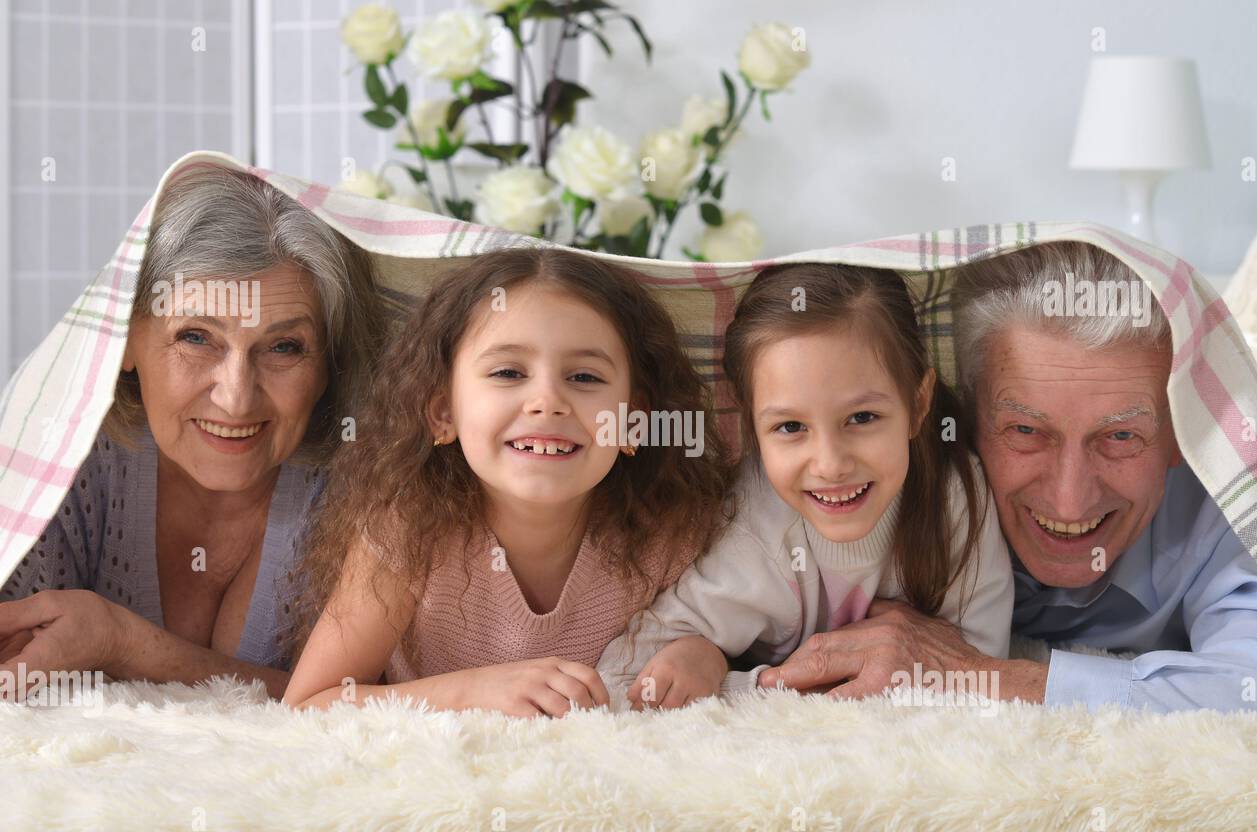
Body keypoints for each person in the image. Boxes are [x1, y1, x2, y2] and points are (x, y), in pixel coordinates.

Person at [759, 242, 1257, 713]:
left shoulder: (1238, 487)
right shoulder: (857, 476)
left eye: (1120, 437)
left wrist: (977, 677)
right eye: (1024, 429)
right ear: (965, 416)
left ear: (1183, 433)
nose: (1069, 501)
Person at [283, 246, 733, 717]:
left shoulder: (676, 529)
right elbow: (310, 702)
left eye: (584, 376)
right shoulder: (405, 532)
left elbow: (745, 650)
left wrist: (707, 655)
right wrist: (472, 693)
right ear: (443, 413)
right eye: (508, 372)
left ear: (633, 422)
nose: (547, 401)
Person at [0, 165, 386, 700]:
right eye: (197, 337)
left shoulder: (376, 482)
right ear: (127, 339)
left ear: (330, 364)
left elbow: (393, 710)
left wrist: (128, 646)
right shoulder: (60, 455)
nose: (235, 396)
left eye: (283, 347)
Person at [597, 263, 1012, 710]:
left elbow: (985, 677)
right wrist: (710, 660)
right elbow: (621, 675)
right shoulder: (753, 528)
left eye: (862, 418)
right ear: (750, 425)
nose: (831, 465)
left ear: (918, 404)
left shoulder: (957, 501)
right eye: (791, 426)